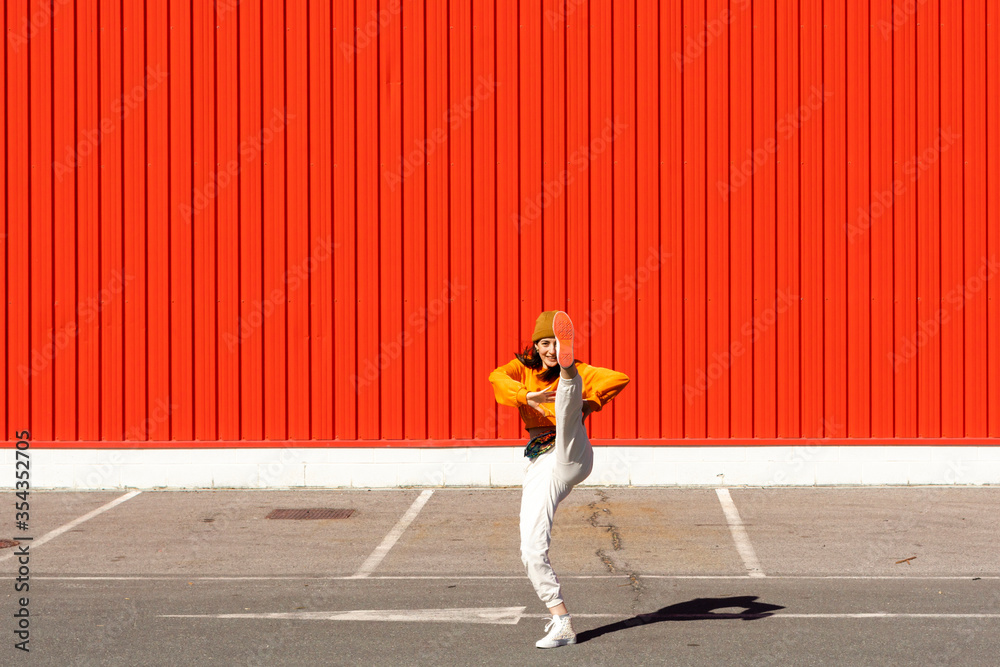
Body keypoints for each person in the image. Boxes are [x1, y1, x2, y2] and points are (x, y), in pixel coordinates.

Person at [489, 310, 630, 648]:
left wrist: (591, 402)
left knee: (568, 410)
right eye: (546, 343)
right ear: (535, 345)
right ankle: (561, 621)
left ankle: (568, 383)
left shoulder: (582, 368)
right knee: (530, 550)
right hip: (541, 460)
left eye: (557, 343)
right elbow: (497, 378)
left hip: (570, 450)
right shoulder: (522, 371)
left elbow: (618, 378)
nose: (551, 349)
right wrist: (527, 397)